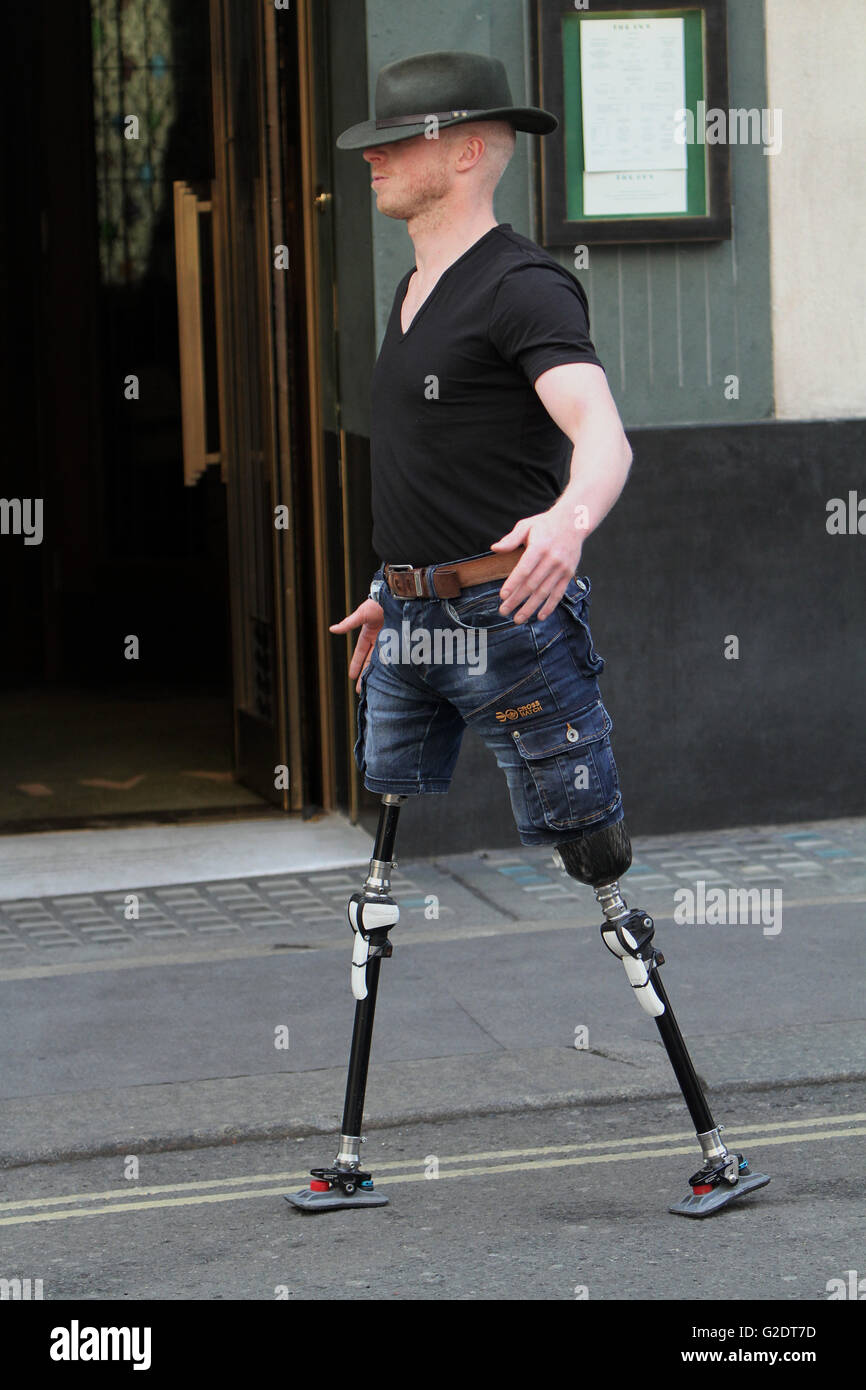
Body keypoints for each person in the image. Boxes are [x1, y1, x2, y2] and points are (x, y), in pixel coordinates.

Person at [330, 50, 633, 850]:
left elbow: (602, 433)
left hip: (505, 612)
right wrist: (397, 585)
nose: (372, 154)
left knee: (592, 853)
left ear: (465, 151)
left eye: (396, 139)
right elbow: (428, 455)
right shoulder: (412, 288)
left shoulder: (521, 284)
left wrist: (567, 525)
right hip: (405, 616)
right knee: (384, 858)